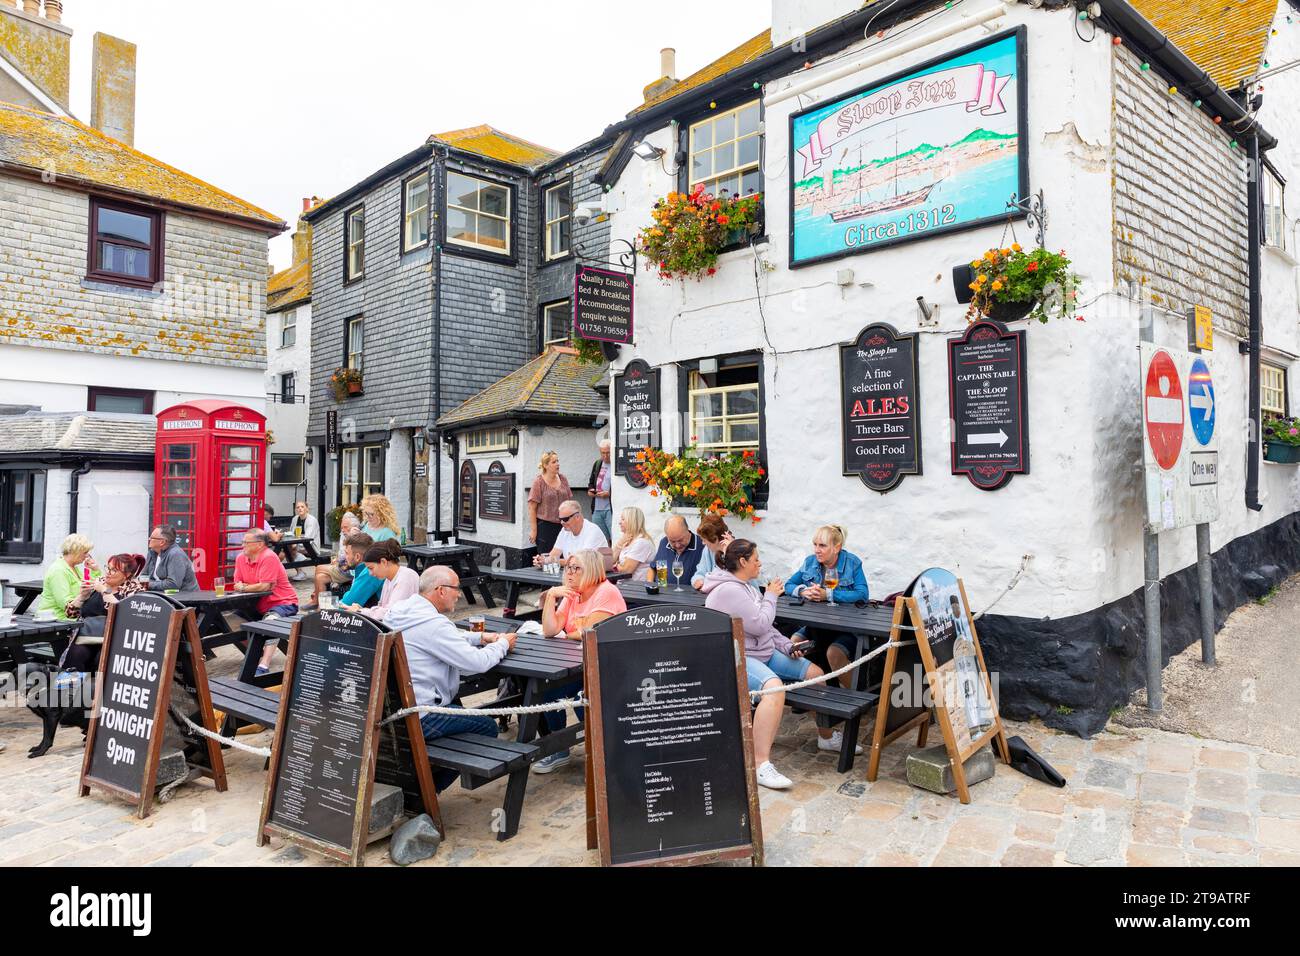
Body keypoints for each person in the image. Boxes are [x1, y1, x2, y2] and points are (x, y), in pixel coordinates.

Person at [701, 539, 835, 790]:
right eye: (756, 559)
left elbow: (767, 631)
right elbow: (760, 623)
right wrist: (771, 595)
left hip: (763, 651)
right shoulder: (729, 590)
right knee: (775, 689)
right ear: (743, 562)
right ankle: (760, 763)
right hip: (737, 655)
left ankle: (825, 738)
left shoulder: (747, 586)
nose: (759, 563)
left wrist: (788, 647)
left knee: (815, 673)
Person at [386, 566, 518, 792]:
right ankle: (428, 790)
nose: (459, 593)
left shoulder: (402, 611)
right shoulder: (434, 624)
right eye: (456, 588)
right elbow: (477, 663)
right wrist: (503, 644)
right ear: (440, 590)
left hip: (395, 711)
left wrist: (479, 637)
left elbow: (446, 638)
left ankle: (423, 779)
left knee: (457, 704)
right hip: (423, 715)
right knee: (486, 728)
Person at [534, 549, 627, 773]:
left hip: (608, 666)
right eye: (569, 568)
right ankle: (560, 748)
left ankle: (599, 753)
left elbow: (590, 631)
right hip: (575, 662)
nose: (570, 574)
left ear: (592, 571)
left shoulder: (607, 592)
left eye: (576, 569)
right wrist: (552, 597)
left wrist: (573, 630)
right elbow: (550, 630)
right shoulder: (573, 594)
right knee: (546, 691)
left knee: (582, 696)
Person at [784, 524, 870, 693]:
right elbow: (789, 585)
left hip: (846, 626)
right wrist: (803, 591)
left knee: (834, 653)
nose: (817, 550)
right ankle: (808, 695)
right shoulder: (810, 562)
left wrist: (828, 595)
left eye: (822, 545)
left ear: (837, 547)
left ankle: (853, 699)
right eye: (815, 544)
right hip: (816, 625)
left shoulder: (852, 563)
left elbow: (862, 594)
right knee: (793, 645)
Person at [61, 553, 147, 672]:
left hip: (115, 639)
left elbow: (125, 615)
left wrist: (105, 591)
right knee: (75, 655)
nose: (108, 573)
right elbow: (70, 613)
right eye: (108, 568)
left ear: (126, 575)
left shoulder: (134, 589)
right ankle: (73, 689)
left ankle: (98, 689)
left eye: (114, 570)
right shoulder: (99, 582)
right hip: (87, 636)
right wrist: (82, 596)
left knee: (102, 659)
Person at [233, 530, 300, 676]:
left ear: (259, 544)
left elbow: (265, 586)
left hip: (283, 602)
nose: (242, 545)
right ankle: (255, 652)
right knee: (231, 620)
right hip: (256, 604)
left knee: (270, 621)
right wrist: (244, 587)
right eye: (243, 542)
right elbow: (236, 583)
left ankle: (264, 665)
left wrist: (244, 587)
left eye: (246, 542)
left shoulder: (269, 557)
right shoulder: (240, 558)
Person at [348, 539, 418, 622]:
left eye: (371, 568)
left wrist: (361, 611)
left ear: (384, 562)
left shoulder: (406, 577)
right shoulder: (389, 578)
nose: (370, 573)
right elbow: (382, 607)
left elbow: (391, 613)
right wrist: (362, 610)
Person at [36, 534, 98, 621]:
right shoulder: (58, 570)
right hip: (56, 621)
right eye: (85, 552)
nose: (87, 555)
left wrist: (95, 569)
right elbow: (65, 604)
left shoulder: (73, 567)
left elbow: (92, 587)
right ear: (75, 551)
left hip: (71, 618)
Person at [533, 499, 608, 566]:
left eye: (565, 519)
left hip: (595, 577)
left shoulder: (592, 530)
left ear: (577, 517)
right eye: (560, 519)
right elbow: (554, 554)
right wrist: (542, 560)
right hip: (576, 574)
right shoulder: (565, 530)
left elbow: (580, 562)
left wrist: (552, 561)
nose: (562, 522)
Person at [527, 451, 571, 558]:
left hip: (564, 526)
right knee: (546, 559)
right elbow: (532, 508)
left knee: (563, 557)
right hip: (545, 528)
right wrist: (534, 530)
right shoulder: (539, 482)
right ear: (546, 465)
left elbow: (569, 502)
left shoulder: (563, 479)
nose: (557, 464)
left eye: (558, 461)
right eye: (554, 462)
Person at [311, 511, 360, 605]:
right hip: (343, 567)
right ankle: (320, 605)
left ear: (354, 527)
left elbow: (347, 558)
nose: (342, 530)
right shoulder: (345, 535)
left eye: (345, 527)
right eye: (341, 527)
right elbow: (342, 553)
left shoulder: (354, 536)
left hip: (348, 570)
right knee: (320, 577)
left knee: (319, 568)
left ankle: (315, 600)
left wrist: (337, 560)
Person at [651, 515, 706, 587]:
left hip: (689, 596)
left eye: (680, 540)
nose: (677, 545)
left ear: (687, 530)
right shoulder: (664, 542)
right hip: (662, 593)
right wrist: (651, 584)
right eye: (672, 541)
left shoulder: (702, 545)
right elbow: (653, 568)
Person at [143, 525, 199, 592]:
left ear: (162, 542)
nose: (149, 539)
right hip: (162, 596)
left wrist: (148, 584)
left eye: (152, 538)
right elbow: (144, 576)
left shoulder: (176, 554)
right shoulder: (152, 553)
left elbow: (173, 584)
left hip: (185, 599)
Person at [338, 532, 383, 608]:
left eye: (347, 553)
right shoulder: (368, 568)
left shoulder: (369, 572)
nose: (345, 557)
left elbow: (347, 604)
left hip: (375, 618)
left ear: (357, 557)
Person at [691, 513, 736, 589]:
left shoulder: (738, 550)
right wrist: (698, 580)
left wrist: (731, 554)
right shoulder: (707, 550)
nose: (703, 543)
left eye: (704, 540)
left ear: (715, 539)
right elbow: (699, 573)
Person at [281, 501, 321, 581]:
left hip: (311, 546)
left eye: (302, 507)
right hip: (298, 544)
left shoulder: (312, 520)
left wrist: (295, 543)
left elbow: (308, 537)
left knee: (288, 549)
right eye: (298, 507)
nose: (300, 509)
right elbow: (292, 533)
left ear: (307, 508)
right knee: (287, 549)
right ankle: (300, 570)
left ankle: (300, 570)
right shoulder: (295, 519)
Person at [610, 506, 656, 575]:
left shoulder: (641, 542)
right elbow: (611, 561)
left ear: (632, 521)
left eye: (623, 519)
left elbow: (626, 571)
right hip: (624, 584)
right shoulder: (627, 539)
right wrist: (620, 543)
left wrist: (616, 566)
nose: (619, 522)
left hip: (636, 585)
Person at [586, 439, 614, 543]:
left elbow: (620, 487)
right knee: (599, 539)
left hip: (610, 509)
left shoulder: (616, 465)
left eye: (608, 453)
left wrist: (609, 494)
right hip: (597, 509)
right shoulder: (597, 464)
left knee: (614, 537)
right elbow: (591, 482)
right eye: (603, 453)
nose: (605, 456)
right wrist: (591, 490)